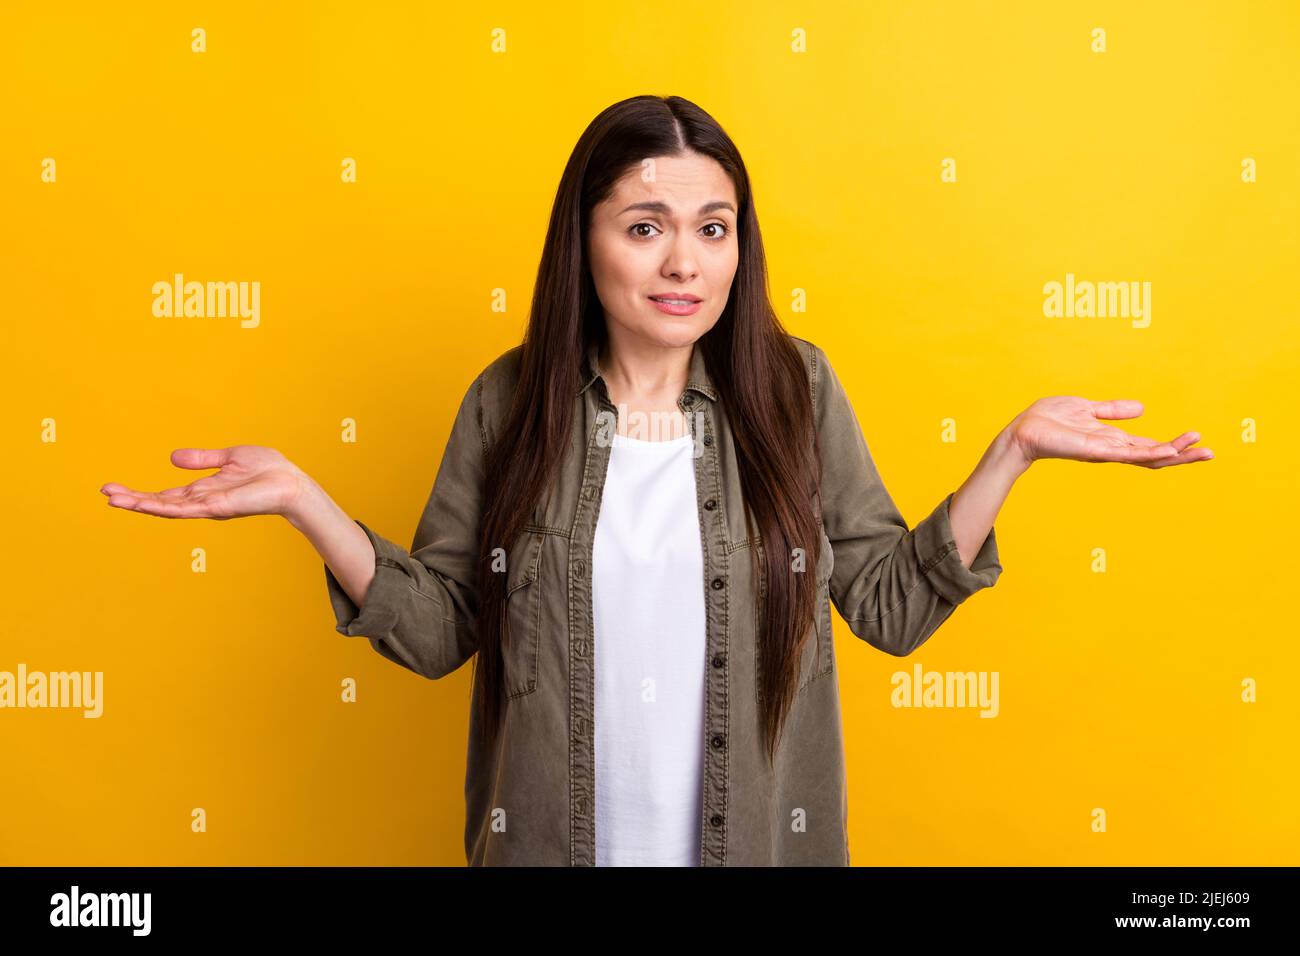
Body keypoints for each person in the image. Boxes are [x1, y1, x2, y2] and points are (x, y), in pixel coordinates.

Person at [100, 94, 1213, 867]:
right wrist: (307, 499)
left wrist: (1009, 452)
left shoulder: (794, 390)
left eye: (712, 228)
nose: (685, 262)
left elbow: (886, 603)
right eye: (646, 226)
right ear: (584, 243)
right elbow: (440, 625)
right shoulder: (510, 401)